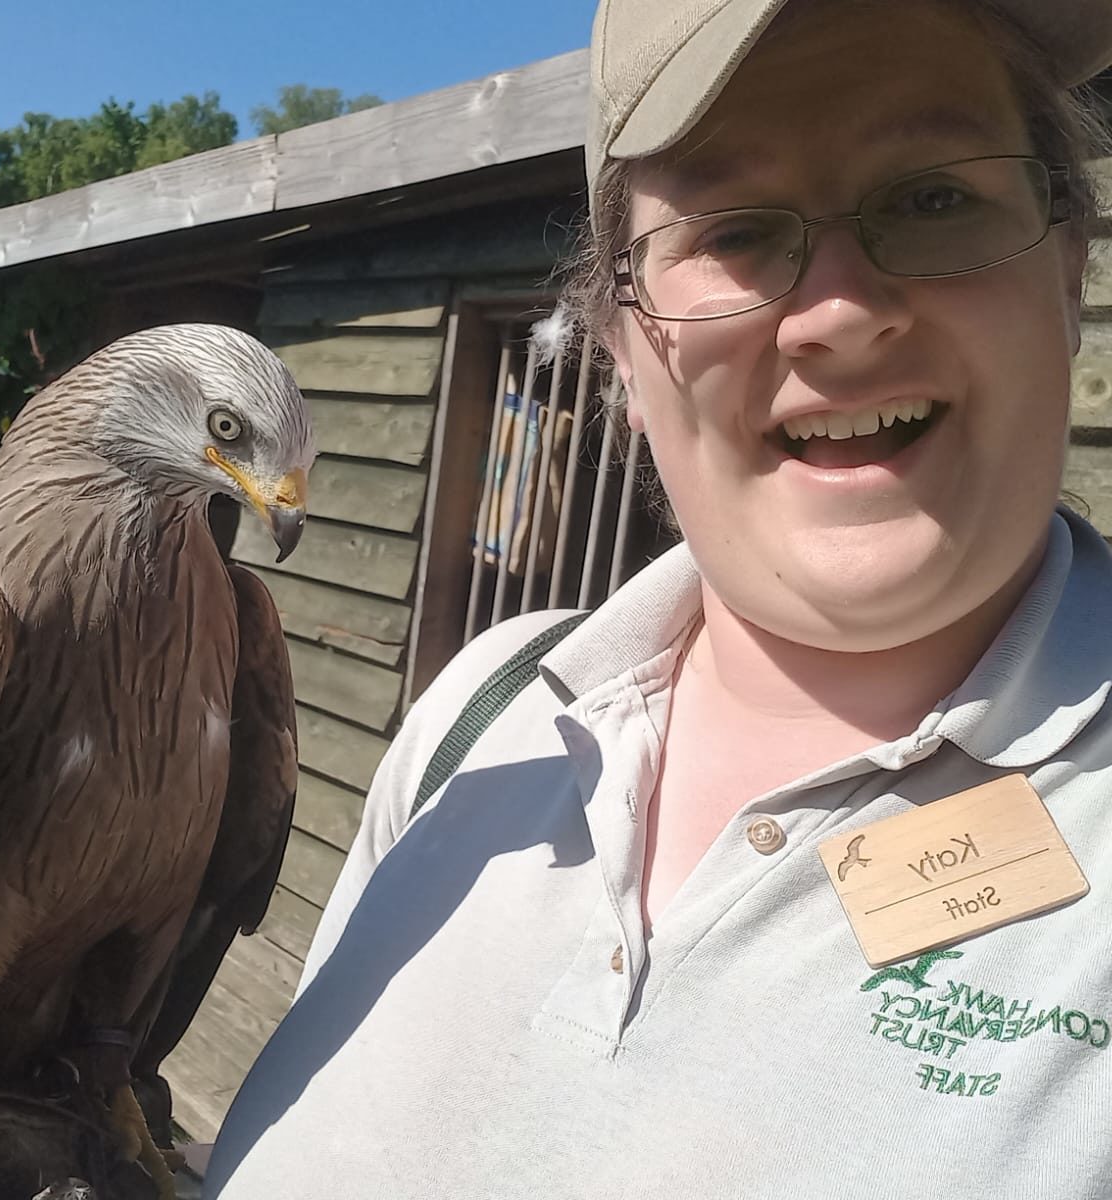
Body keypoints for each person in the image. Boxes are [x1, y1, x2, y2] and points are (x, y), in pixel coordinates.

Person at [206, 0, 1112, 1195]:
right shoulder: (481, 715)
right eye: (735, 231)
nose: (841, 313)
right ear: (623, 349)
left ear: (1067, 266)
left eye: (933, 195)